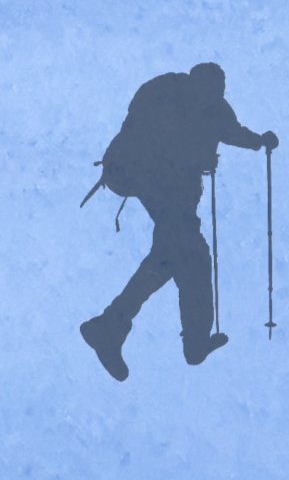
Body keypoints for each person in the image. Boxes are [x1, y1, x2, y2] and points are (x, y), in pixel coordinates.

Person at [82, 66, 276, 378]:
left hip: (146, 179)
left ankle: (120, 327)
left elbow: (230, 131)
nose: (214, 96)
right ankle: (131, 329)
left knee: (180, 255)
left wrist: (258, 141)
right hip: (149, 177)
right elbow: (156, 140)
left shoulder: (192, 98)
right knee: (188, 252)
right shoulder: (174, 96)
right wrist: (208, 154)